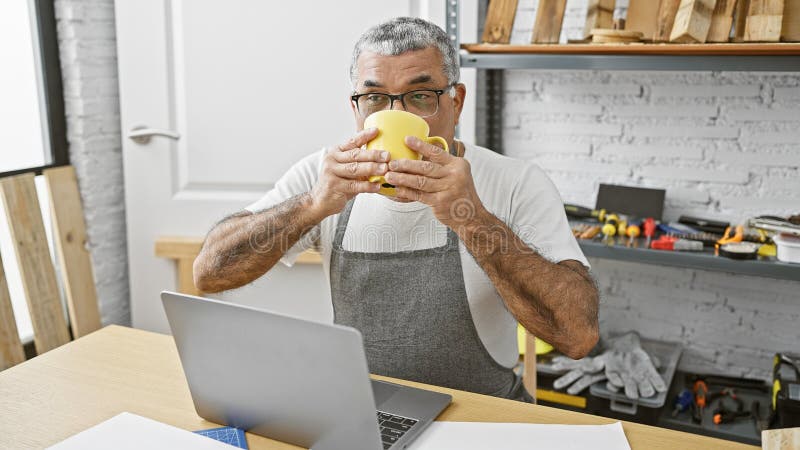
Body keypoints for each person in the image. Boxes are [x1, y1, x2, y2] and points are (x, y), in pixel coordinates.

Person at [193, 17, 599, 400]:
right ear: (356, 108)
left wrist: (471, 217)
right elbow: (209, 273)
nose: (396, 116)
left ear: (455, 102)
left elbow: (577, 335)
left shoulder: (515, 183)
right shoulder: (326, 175)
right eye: (375, 98)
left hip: (482, 416)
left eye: (420, 96)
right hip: (363, 412)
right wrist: (312, 206)